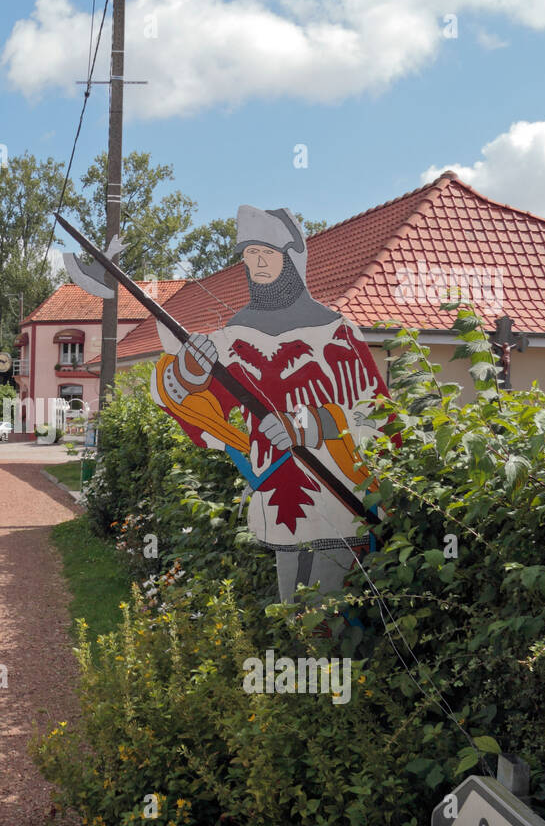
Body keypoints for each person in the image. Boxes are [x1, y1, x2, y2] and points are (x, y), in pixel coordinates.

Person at [149, 205, 389, 609]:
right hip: (277, 493)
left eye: (267, 254)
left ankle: (333, 671)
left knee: (330, 612)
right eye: (249, 255)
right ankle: (302, 671)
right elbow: (198, 406)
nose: (257, 264)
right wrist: (192, 368)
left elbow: (378, 415)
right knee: (293, 609)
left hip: (338, 489)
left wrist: (310, 424)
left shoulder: (339, 333)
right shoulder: (235, 336)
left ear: (292, 257)